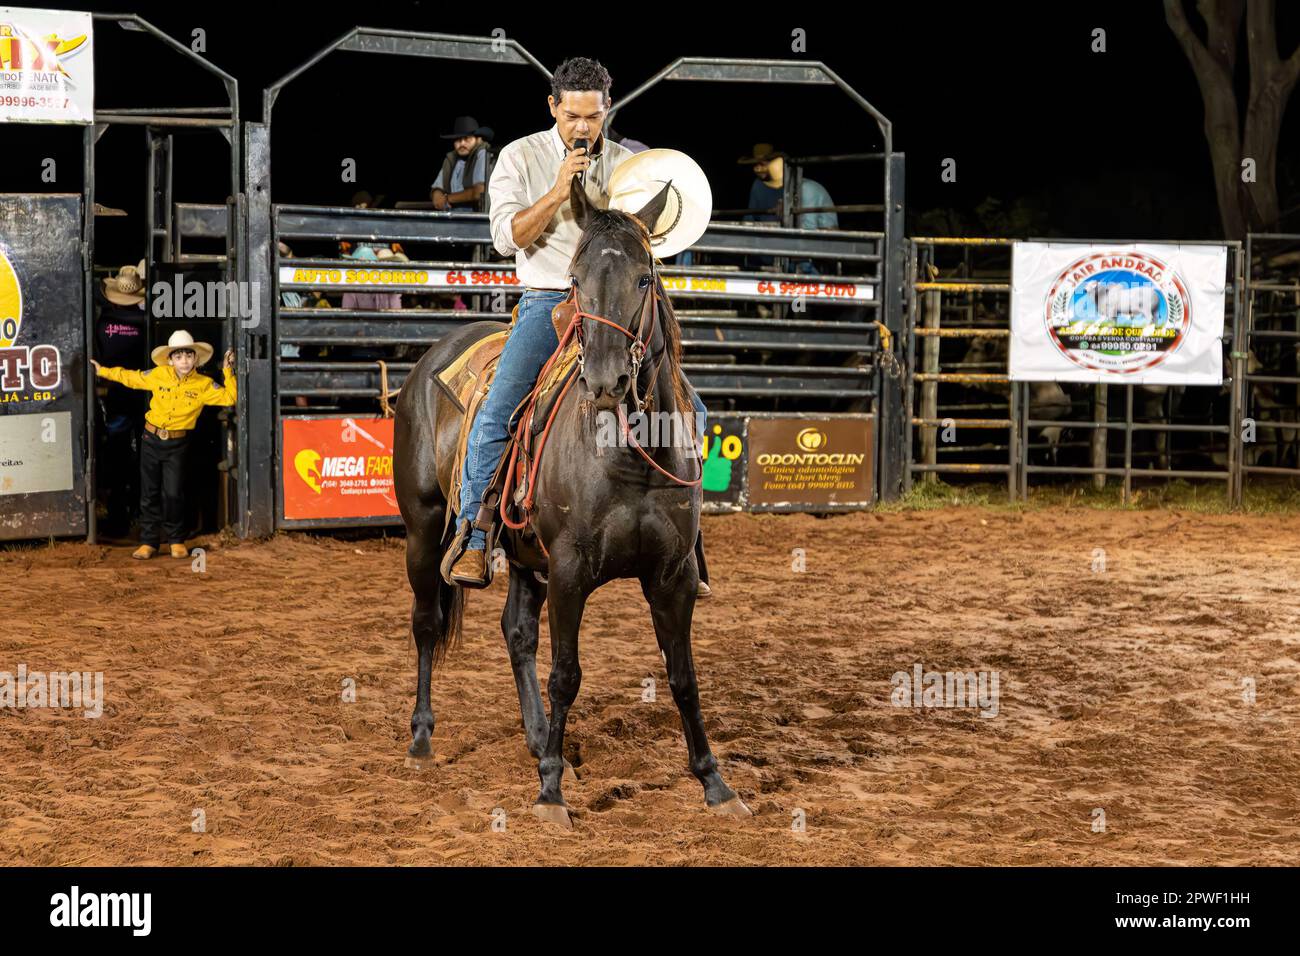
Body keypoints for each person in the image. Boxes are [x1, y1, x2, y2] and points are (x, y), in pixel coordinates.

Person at [446, 56, 712, 591]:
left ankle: (688, 542)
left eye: (592, 117)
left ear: (606, 110)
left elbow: (650, 237)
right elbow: (509, 237)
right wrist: (557, 189)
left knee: (693, 412)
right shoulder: (520, 158)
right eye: (572, 117)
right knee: (498, 410)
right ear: (553, 108)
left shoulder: (627, 166)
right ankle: (474, 535)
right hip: (550, 299)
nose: (583, 128)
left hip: (614, 303)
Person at [91, 330, 236, 560]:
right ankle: (149, 541)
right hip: (151, 439)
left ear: (196, 359)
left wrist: (227, 371)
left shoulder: (204, 385)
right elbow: (133, 377)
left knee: (173, 493)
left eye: (188, 356)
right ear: (170, 360)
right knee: (149, 492)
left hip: (178, 443)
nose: (184, 361)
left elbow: (230, 397)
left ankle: (176, 540)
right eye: (178, 357)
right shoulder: (159, 374)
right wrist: (103, 371)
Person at [739, 142, 839, 275]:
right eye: (755, 165)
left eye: (762, 164)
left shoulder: (807, 189)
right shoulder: (758, 187)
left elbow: (807, 233)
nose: (757, 169)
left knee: (802, 264)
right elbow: (749, 220)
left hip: (805, 255)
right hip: (769, 254)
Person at [431, 116, 493, 210]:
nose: (462, 143)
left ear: (477, 139)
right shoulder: (451, 159)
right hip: (452, 215)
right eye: (458, 139)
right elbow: (437, 188)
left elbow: (479, 192)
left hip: (475, 216)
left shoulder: (482, 154)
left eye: (467, 138)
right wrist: (437, 197)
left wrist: (447, 198)